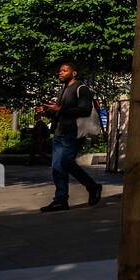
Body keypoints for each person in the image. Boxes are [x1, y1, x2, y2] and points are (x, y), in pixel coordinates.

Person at [38, 59, 103, 212]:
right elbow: (60, 112)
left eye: (64, 70)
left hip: (73, 133)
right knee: (58, 165)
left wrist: (59, 108)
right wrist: (47, 111)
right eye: (60, 70)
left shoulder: (81, 88)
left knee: (63, 163)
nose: (60, 72)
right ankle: (63, 199)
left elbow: (85, 110)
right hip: (60, 132)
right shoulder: (63, 90)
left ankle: (85, 189)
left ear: (73, 73)